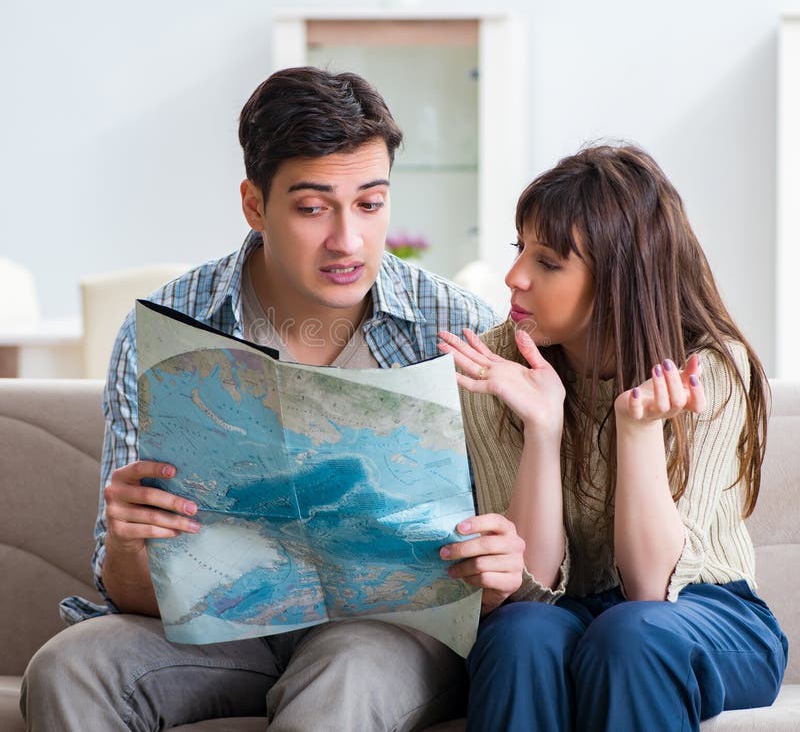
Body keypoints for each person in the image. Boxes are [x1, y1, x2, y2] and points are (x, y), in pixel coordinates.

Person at [21, 66, 526, 732]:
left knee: (343, 678)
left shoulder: (456, 326)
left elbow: (511, 563)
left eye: (370, 204)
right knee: (68, 665)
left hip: (384, 633)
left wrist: (500, 567)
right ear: (255, 205)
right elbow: (131, 592)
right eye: (313, 208)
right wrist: (126, 536)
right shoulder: (166, 331)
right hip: (222, 632)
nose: (347, 240)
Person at [436, 144, 789, 732]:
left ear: (618, 281)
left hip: (704, 611)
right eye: (519, 248)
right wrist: (543, 427)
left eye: (547, 262)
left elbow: (652, 588)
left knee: (629, 636)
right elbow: (532, 587)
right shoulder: (498, 362)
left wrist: (638, 429)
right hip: (566, 608)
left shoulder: (710, 367)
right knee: (519, 635)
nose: (514, 275)